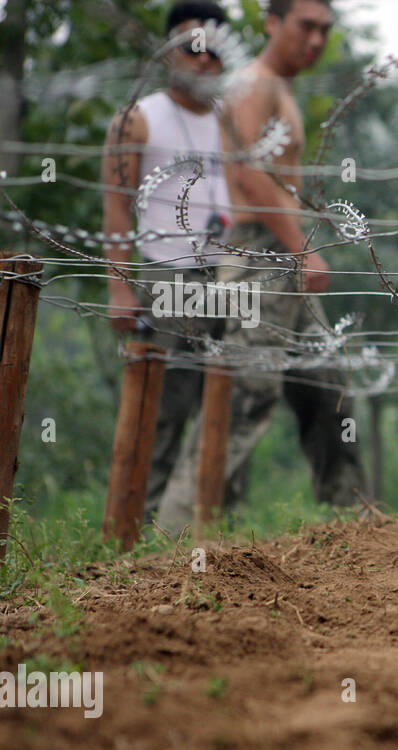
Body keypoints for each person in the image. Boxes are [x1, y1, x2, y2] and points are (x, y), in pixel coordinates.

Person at [156, 0, 365, 533]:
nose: (316, 40)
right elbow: (248, 177)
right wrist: (302, 248)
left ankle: (354, 529)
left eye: (325, 30)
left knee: (326, 389)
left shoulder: (280, 86)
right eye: (306, 27)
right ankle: (177, 537)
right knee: (246, 396)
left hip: (282, 253)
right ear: (273, 24)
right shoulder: (253, 82)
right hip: (261, 257)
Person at [101, 0, 234, 520]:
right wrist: (118, 284)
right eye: (191, 48)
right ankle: (133, 529)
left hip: (228, 276)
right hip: (166, 274)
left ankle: (198, 529)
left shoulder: (235, 124)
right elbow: (115, 201)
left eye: (214, 51)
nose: (203, 61)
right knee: (161, 408)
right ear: (168, 53)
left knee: (225, 404)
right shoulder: (138, 119)